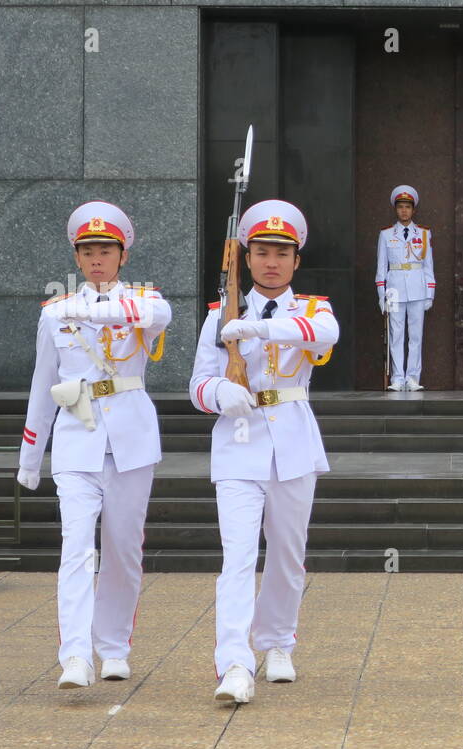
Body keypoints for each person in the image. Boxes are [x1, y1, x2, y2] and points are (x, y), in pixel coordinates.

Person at [189, 199, 339, 704]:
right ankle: (233, 661)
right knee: (237, 557)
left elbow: (324, 337)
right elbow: (197, 384)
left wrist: (256, 328)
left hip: (293, 445)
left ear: (296, 260)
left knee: (288, 556)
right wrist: (219, 395)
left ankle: (277, 643)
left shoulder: (312, 310)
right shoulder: (219, 313)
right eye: (261, 251)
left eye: (281, 252)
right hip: (238, 445)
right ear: (245, 258)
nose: (271, 261)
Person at [17, 201, 171, 689]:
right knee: (77, 550)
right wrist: (29, 458)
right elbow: (43, 386)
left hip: (130, 439)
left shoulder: (146, 303)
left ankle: (114, 646)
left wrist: (82, 307)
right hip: (76, 439)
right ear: (77, 258)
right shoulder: (54, 315)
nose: (97, 259)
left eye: (106, 250)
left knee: (124, 549)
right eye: (88, 252)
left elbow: (158, 315)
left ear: (123, 256)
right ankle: (76, 655)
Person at [375, 185, 435, 391]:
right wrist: (381, 295)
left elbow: (429, 266)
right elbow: (381, 267)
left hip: (418, 288)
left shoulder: (424, 234)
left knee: (416, 336)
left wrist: (430, 293)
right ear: (396, 209)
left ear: (413, 210)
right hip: (395, 289)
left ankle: (413, 378)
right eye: (400, 207)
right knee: (396, 336)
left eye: (407, 207)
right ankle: (397, 378)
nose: (404, 211)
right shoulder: (386, 234)